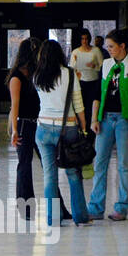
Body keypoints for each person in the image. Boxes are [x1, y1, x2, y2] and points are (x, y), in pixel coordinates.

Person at [7, 37, 70, 221]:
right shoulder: (16, 77)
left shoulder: (39, 74)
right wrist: (14, 129)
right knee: (24, 165)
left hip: (41, 123)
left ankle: (60, 209)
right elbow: (15, 105)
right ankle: (26, 209)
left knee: (49, 167)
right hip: (25, 124)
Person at [87, 27, 128, 221]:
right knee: (100, 163)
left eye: (112, 46)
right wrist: (94, 119)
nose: (109, 49)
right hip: (105, 119)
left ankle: (122, 207)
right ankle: (95, 208)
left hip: (125, 119)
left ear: (122, 46)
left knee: (124, 164)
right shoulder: (105, 65)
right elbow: (97, 94)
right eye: (107, 47)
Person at [31, 39, 91, 228]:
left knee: (50, 176)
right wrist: (84, 127)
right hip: (68, 129)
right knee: (73, 173)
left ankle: (52, 219)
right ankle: (80, 216)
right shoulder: (69, 74)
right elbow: (78, 104)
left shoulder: (37, 76)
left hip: (43, 129)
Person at [68, 29, 103, 123]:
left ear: (89, 39)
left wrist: (94, 66)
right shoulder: (75, 52)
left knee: (93, 106)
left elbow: (102, 67)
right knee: (81, 106)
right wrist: (76, 64)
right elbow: (71, 69)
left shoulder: (96, 50)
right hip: (81, 82)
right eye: (82, 39)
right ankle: (83, 128)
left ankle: (93, 126)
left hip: (93, 82)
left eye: (86, 39)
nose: (84, 41)